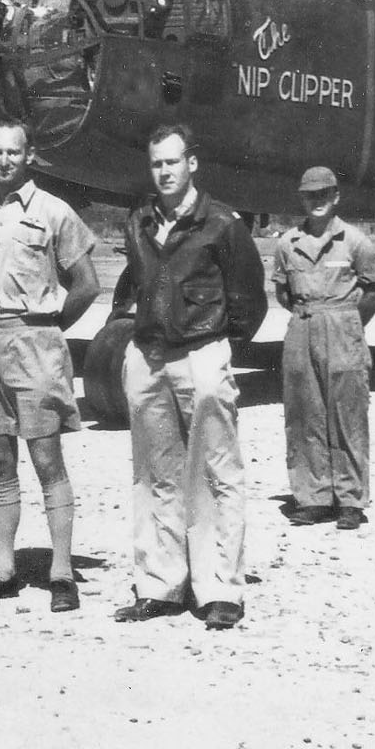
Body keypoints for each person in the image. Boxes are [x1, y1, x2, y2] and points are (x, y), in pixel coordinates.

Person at [109, 124, 267, 629]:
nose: (165, 171)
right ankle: (161, 584)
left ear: (192, 164)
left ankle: (220, 589)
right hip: (150, 356)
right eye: (157, 163)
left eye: (173, 162)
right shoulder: (138, 222)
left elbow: (249, 300)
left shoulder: (222, 224)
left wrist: (216, 344)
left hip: (201, 354)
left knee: (218, 471)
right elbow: (132, 284)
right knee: (154, 473)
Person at [0, 118, 99, 613]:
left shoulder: (54, 212)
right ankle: (3, 569)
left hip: (35, 340)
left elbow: (86, 283)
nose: (4, 161)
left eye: (13, 152)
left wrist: (51, 328)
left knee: (46, 459)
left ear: (28, 154)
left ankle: (61, 573)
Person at [271, 166, 375, 530]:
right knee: (304, 414)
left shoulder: (355, 242)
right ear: (302, 199)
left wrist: (348, 324)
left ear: (336, 197)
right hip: (302, 326)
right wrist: (313, 317)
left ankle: (350, 500)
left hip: (343, 326)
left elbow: (373, 290)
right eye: (310, 195)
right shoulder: (287, 243)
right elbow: (283, 292)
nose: (316, 201)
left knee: (347, 413)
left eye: (323, 194)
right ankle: (314, 497)